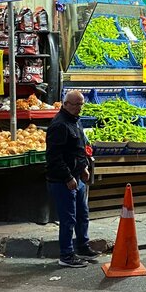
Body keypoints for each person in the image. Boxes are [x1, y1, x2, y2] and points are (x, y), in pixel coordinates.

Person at [46, 89, 100, 268]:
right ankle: (66, 255)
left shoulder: (75, 121)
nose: (79, 108)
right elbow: (54, 157)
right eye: (76, 104)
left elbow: (79, 148)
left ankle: (82, 246)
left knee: (82, 214)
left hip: (77, 177)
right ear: (66, 104)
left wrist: (83, 167)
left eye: (81, 104)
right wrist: (68, 177)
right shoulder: (59, 125)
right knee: (68, 219)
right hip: (63, 181)